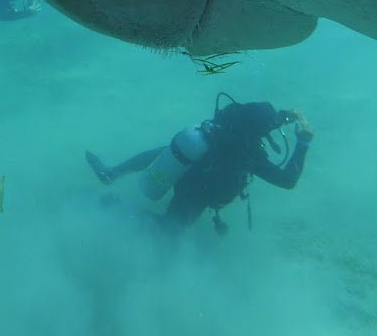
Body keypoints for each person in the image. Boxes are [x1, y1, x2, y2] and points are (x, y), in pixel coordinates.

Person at [84, 94, 313, 235]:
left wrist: (284, 116)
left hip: (188, 162)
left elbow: (255, 120)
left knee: (163, 151)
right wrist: (303, 142)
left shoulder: (230, 117)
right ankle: (115, 207)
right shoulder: (249, 153)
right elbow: (288, 180)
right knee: (168, 231)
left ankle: (112, 173)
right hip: (195, 191)